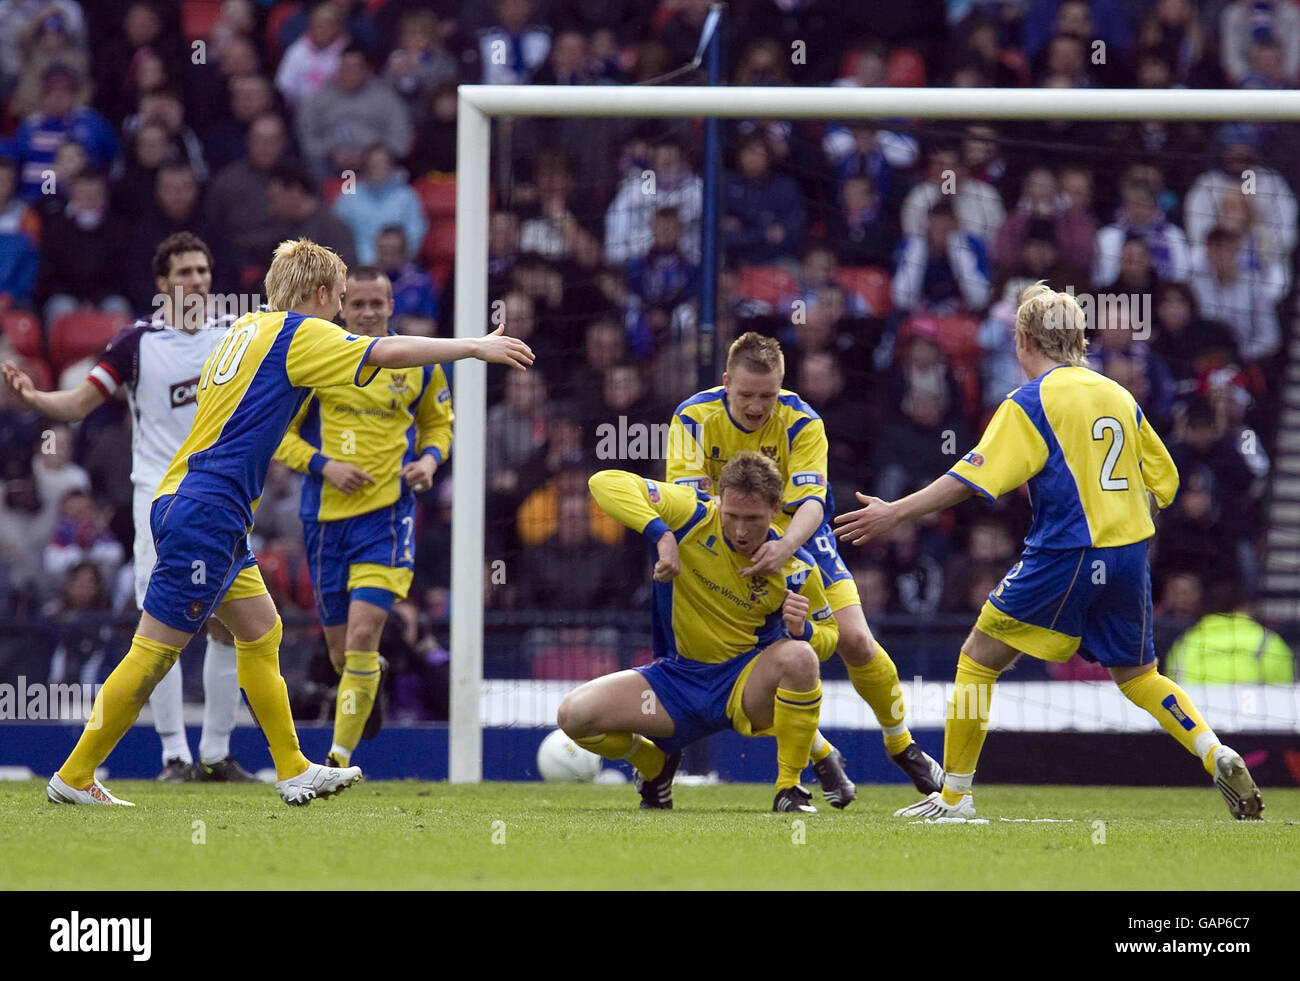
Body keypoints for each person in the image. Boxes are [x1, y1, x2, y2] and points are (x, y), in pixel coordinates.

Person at [30, 237, 532, 806]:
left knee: (262, 630)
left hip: (196, 501)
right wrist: (471, 347)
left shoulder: (247, 327)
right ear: (319, 293)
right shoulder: (301, 333)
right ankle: (73, 775)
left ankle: (292, 767)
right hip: (207, 508)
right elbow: (384, 353)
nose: (344, 313)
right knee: (154, 650)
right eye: (341, 299)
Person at [835, 282, 1264, 821]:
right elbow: (1168, 482)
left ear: (1023, 340)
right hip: (1130, 555)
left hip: (1067, 551)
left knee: (977, 657)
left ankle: (955, 798)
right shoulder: (1116, 393)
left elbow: (969, 477)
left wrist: (895, 511)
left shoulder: (1031, 401)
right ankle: (1213, 750)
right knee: (1138, 676)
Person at [3, 232, 260, 782]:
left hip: (221, 496)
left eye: (203, 271)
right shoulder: (135, 344)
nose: (197, 281)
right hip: (159, 499)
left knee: (228, 624)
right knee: (160, 624)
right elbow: (79, 402)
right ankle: (174, 755)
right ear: (163, 283)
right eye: (185, 272)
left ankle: (216, 754)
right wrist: (34, 399)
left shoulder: (236, 335)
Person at [665, 332, 943, 806]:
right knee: (748, 663)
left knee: (854, 639)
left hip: (800, 536)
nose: (756, 408)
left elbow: (813, 502)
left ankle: (902, 744)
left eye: (767, 396)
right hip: (724, 541)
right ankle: (817, 751)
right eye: (746, 395)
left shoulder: (803, 421)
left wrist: (783, 546)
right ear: (727, 382)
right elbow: (687, 503)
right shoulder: (693, 418)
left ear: (782, 387)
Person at [559, 452, 836, 813]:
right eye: (732, 516)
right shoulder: (690, 514)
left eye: (752, 519)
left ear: (776, 508)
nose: (740, 530)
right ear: (719, 501)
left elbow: (830, 638)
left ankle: (789, 788)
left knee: (800, 655)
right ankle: (655, 765)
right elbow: (603, 483)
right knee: (573, 716)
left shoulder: (796, 565)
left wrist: (805, 630)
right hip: (676, 680)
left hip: (744, 686)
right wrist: (662, 536)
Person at [273, 266, 452, 769]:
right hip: (325, 522)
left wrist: (429, 462)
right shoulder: (319, 360)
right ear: (342, 307)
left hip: (387, 520)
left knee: (360, 635)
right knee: (340, 654)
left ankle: (337, 756)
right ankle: (367, 684)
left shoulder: (418, 364)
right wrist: (323, 464)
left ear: (392, 305)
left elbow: (440, 424)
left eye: (379, 304)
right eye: (359, 305)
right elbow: (279, 435)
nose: (370, 313)